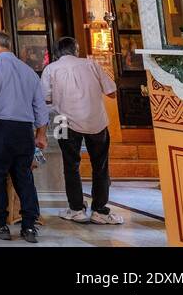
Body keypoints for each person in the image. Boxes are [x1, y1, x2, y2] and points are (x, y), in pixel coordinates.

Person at [0, 29, 48, 243]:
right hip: (24, 130)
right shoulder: (28, 71)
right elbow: (40, 107)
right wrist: (41, 134)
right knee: (24, 177)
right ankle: (29, 227)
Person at [40, 36, 123, 225]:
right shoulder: (91, 64)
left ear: (56, 53)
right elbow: (111, 92)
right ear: (76, 50)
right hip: (96, 119)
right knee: (100, 166)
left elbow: (44, 99)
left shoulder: (50, 69)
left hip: (63, 120)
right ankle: (100, 211)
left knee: (70, 166)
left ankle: (76, 209)